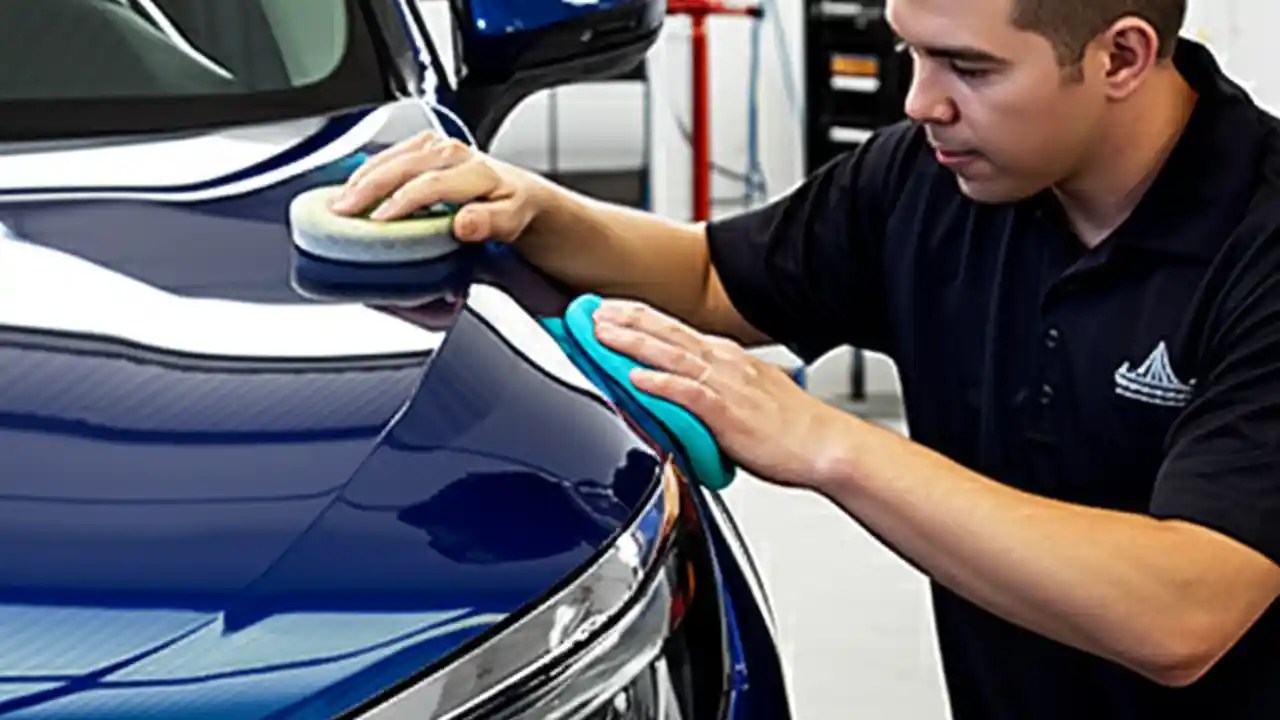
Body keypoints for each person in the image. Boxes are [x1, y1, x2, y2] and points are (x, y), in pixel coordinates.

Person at [331, 0, 1280, 716]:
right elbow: (715, 278)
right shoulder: (930, 178)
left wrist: (826, 443)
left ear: (1122, 56)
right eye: (911, 52)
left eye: (969, 67)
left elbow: (1184, 613)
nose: (920, 101)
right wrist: (537, 209)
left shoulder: (1261, 245)